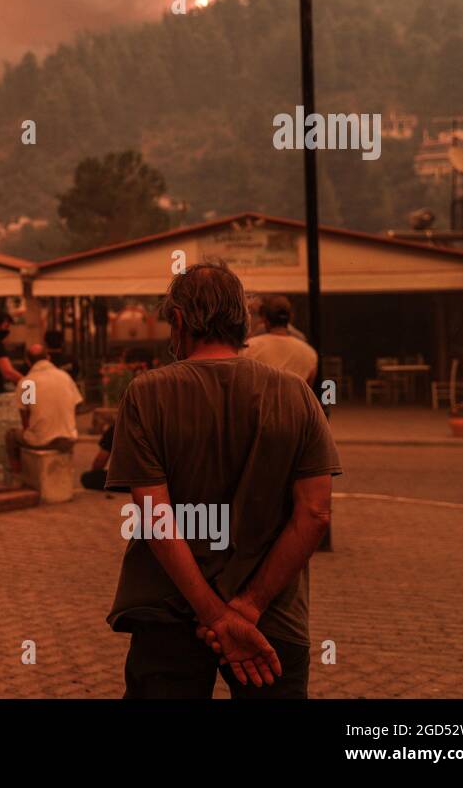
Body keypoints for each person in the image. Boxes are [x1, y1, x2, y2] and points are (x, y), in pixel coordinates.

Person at [105, 260, 340, 698]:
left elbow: (156, 518)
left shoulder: (147, 393)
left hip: (169, 613)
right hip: (272, 623)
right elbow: (315, 513)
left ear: (178, 320)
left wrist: (212, 615)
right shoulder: (297, 395)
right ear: (242, 320)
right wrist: (247, 606)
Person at [5, 343, 83, 474]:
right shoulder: (64, 377)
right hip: (68, 439)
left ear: (28, 361)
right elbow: (77, 405)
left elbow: (26, 419)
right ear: (48, 357)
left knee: (11, 436)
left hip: (42, 440)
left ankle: (18, 475)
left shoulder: (28, 383)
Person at [241, 295, 317, 386]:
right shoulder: (309, 353)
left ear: (265, 319)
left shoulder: (250, 347)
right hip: (293, 400)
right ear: (290, 317)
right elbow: (307, 389)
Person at [80, 422, 115, 495]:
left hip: (124, 481)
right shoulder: (144, 423)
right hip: (144, 481)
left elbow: (100, 462)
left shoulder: (116, 427)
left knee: (87, 478)